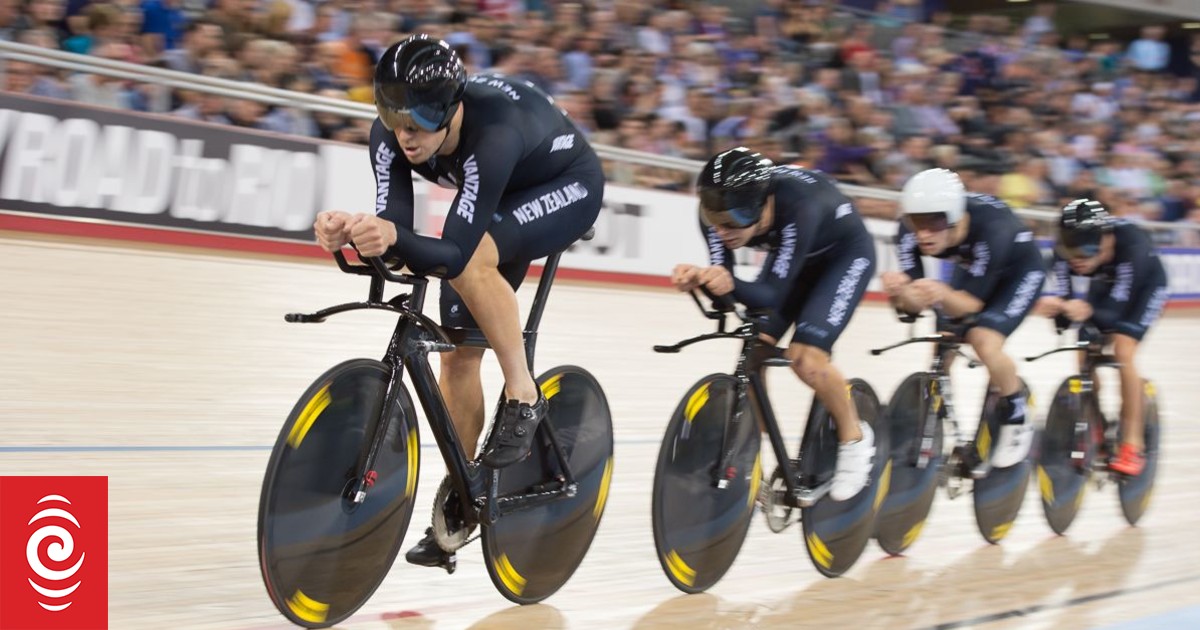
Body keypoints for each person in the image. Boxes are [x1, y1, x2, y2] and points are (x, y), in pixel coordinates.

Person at [312, 35, 604, 567]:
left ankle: (524, 392)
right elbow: (397, 235)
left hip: (566, 185)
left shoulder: (491, 134)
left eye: (421, 118)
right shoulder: (390, 135)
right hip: (505, 196)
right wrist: (355, 231)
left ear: (452, 109)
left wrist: (395, 239)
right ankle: (466, 495)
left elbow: (450, 254)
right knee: (457, 354)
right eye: (392, 114)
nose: (405, 133)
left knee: (469, 263)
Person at [671, 147, 877, 501]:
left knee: (807, 359)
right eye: (715, 218)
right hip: (794, 264)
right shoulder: (715, 217)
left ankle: (855, 437)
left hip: (843, 260)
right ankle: (762, 454)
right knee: (752, 355)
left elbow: (766, 294)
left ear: (762, 204)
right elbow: (730, 292)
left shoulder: (800, 205)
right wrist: (703, 280)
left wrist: (726, 282)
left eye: (734, 220)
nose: (722, 230)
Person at [881, 168, 1045, 469]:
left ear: (955, 216)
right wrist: (901, 292)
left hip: (1019, 274)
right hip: (974, 269)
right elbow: (910, 311)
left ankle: (1017, 413)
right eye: (916, 222)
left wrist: (938, 292)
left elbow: (971, 306)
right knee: (943, 342)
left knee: (983, 340)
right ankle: (939, 415)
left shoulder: (994, 227)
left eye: (934, 223)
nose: (923, 233)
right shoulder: (908, 233)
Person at [1033, 199, 1168, 476]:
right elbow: (1067, 305)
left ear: (1106, 239)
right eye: (1071, 249)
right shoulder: (1066, 252)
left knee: (1123, 349)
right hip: (1106, 288)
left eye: (1087, 249)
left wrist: (1083, 309)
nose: (1077, 258)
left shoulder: (1132, 244)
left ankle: (1133, 442)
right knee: (1084, 349)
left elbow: (1115, 311)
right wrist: (1059, 308)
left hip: (1145, 289)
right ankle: (1094, 422)